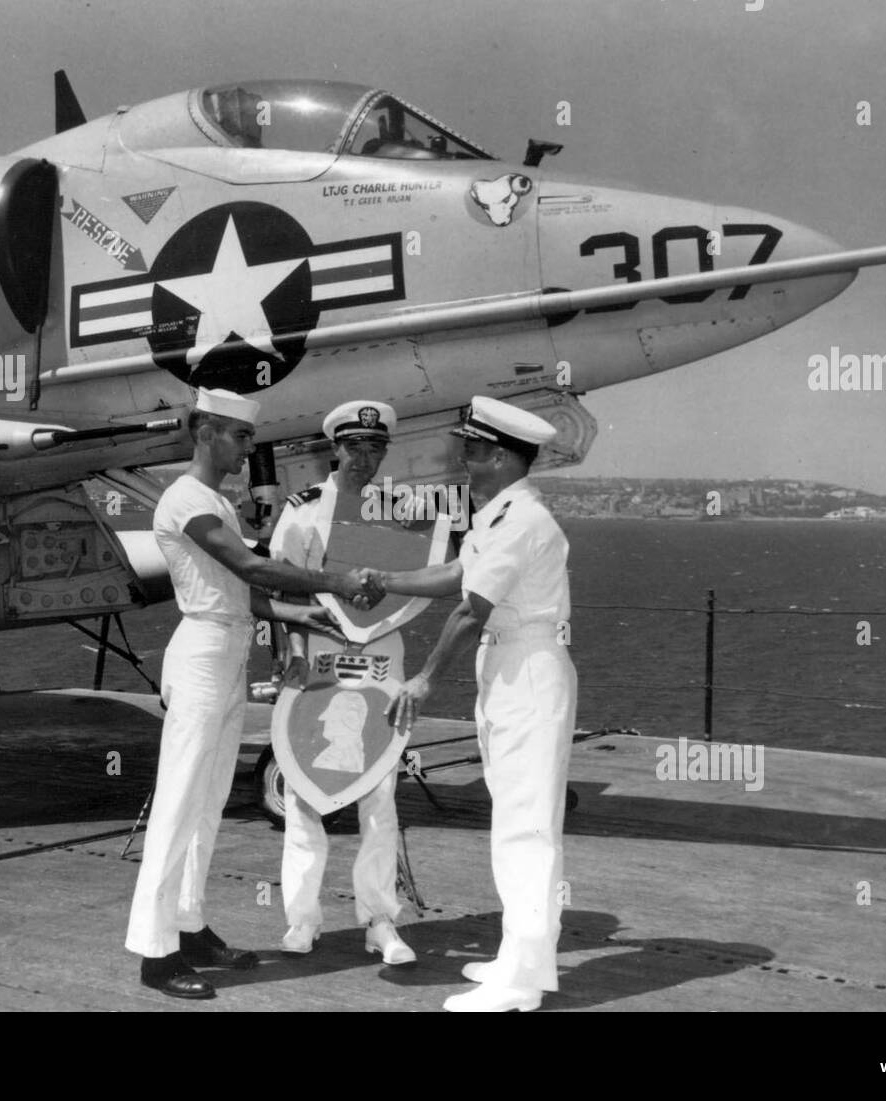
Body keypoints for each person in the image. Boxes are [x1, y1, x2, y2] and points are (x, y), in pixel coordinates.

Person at [125, 388, 380, 999]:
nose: (247, 451)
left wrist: (304, 614)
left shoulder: (216, 500)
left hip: (228, 645)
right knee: (179, 801)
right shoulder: (187, 498)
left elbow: (245, 592)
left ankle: (188, 924)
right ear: (207, 432)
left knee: (208, 800)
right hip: (203, 653)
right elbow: (249, 568)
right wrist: (336, 581)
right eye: (240, 438)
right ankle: (155, 953)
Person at [372, 396, 576, 1012]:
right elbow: (458, 574)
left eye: (472, 447)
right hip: (510, 669)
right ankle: (519, 960)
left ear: (501, 456)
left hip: (529, 671)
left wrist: (426, 679)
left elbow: (470, 608)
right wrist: (382, 581)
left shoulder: (522, 520)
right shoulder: (497, 514)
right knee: (515, 822)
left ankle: (523, 983)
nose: (463, 456)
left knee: (528, 830)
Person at [269, 400, 416, 967]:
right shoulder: (304, 509)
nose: (365, 457)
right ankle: (302, 919)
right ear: (335, 448)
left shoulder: (401, 511)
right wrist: (296, 653)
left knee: (380, 792)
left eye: (376, 448)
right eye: (355, 446)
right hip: (322, 655)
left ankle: (381, 921)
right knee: (306, 787)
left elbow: (413, 584)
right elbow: (285, 588)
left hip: (381, 658)